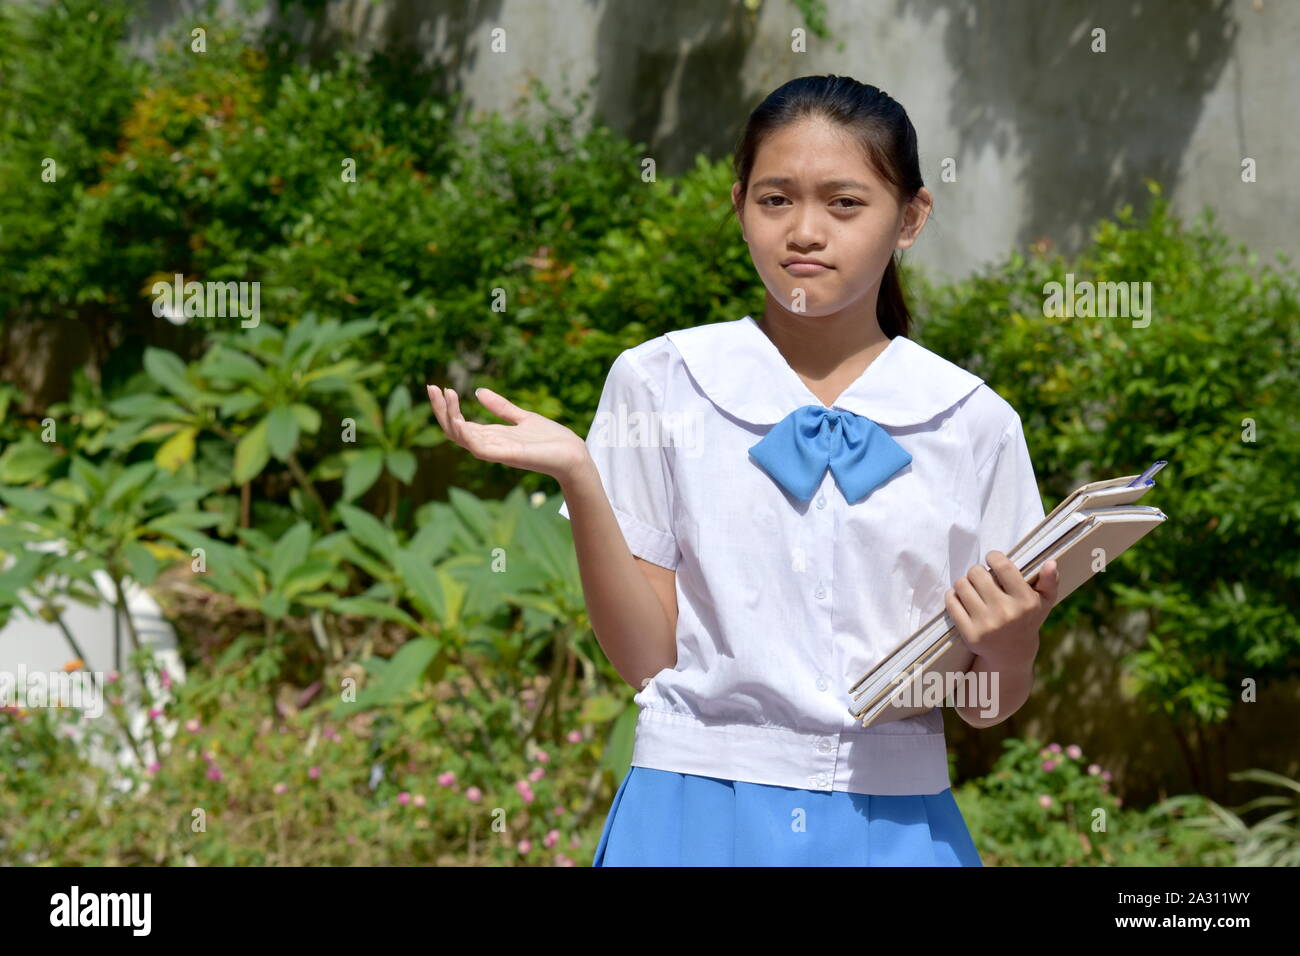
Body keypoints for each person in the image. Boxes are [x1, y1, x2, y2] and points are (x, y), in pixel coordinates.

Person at [427, 74, 1060, 866]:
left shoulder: (973, 421)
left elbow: (986, 708)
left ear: (911, 218)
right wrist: (580, 477)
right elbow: (647, 660)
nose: (805, 231)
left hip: (899, 826)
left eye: (844, 203)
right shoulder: (660, 382)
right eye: (774, 200)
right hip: (693, 813)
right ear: (738, 208)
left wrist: (1015, 642)